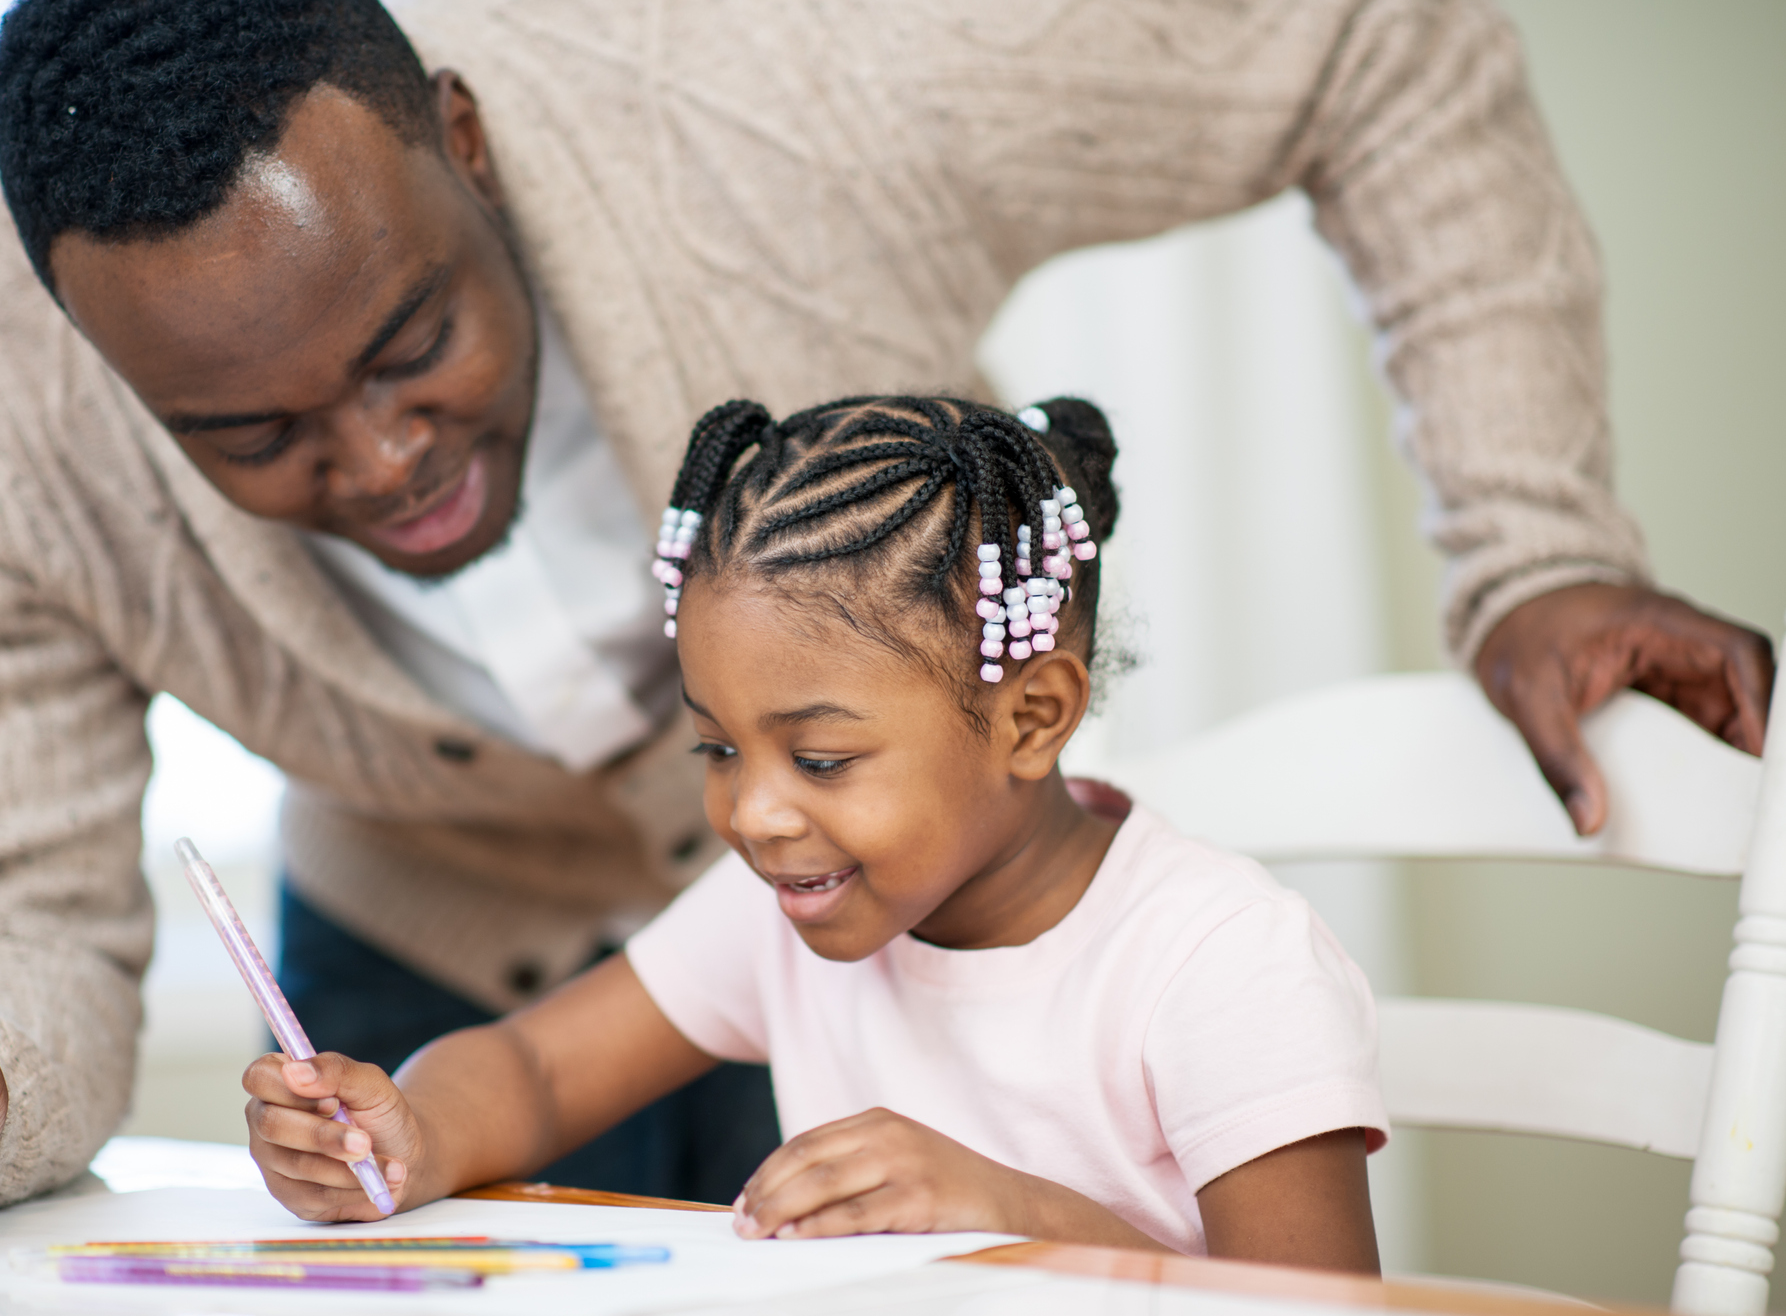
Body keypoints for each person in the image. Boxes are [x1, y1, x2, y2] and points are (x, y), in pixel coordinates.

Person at [0, 0, 1769, 1243]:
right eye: (250, 434)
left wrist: (1538, 536)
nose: (375, 464)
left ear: (465, 141)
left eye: (414, 338)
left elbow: (1370, 21)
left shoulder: (782, 74)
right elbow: (16, 908)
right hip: (447, 952)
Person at [247, 394, 1387, 1269]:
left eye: (823, 759)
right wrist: (410, 1130)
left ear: (1031, 714)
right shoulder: (786, 906)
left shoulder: (1220, 961)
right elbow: (537, 1069)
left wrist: (1019, 1216)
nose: (753, 813)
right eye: (718, 747)